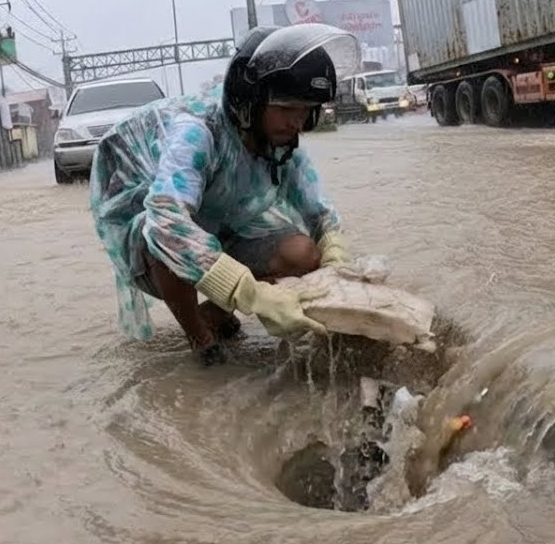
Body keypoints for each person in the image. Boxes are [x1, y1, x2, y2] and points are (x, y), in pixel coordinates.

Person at [89, 23, 362, 366]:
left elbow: (321, 214)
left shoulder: (283, 148)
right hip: (158, 238)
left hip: (228, 226)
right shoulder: (197, 133)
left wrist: (336, 260)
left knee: (304, 252)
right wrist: (248, 293)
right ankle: (200, 337)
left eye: (306, 111)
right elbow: (166, 224)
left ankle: (215, 315)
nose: (297, 122)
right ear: (249, 102)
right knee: (163, 240)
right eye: (287, 109)